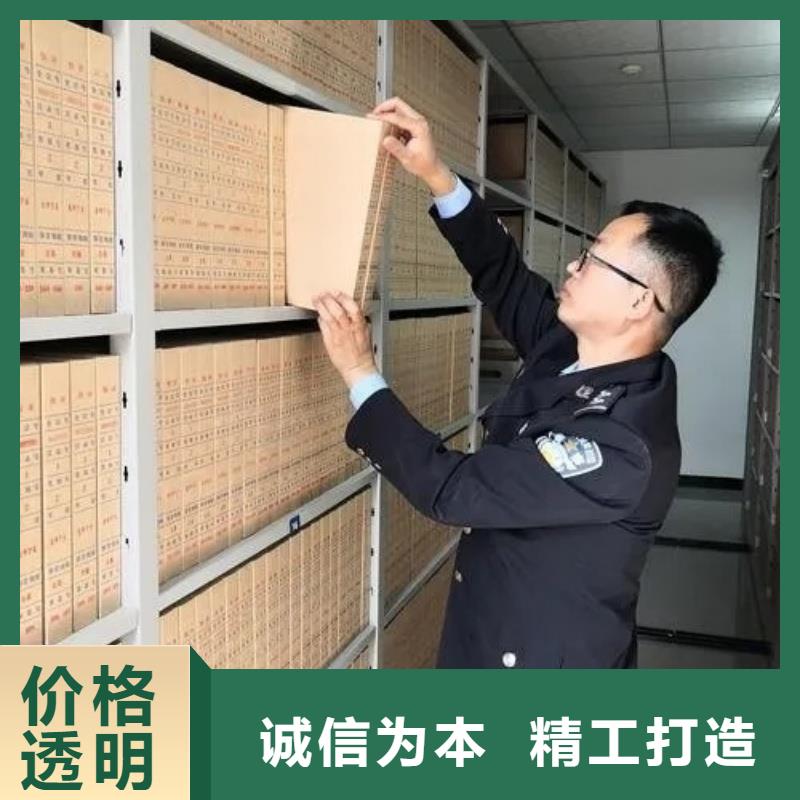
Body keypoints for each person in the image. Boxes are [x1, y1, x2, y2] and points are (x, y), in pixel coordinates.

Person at [312, 97, 723, 668]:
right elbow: (504, 277)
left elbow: (453, 490)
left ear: (638, 300)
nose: (574, 266)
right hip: (496, 630)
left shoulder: (622, 444)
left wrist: (360, 372)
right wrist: (436, 174)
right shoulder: (576, 351)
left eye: (595, 259)